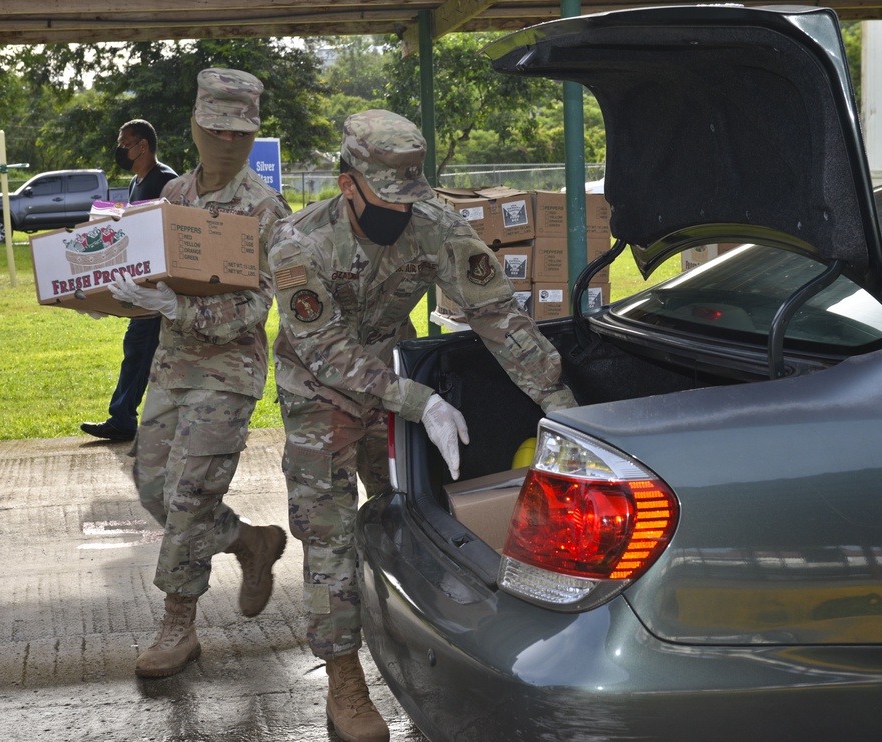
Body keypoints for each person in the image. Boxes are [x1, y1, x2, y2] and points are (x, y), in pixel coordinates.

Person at [266, 109, 577, 742]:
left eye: (412, 195)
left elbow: (497, 314)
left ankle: (414, 639)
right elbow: (323, 351)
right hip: (318, 397)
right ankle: (345, 683)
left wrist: (562, 403)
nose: (402, 211)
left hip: (391, 385)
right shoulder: (298, 243)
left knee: (410, 519)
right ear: (347, 181)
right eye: (388, 196)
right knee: (329, 542)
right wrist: (420, 402)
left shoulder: (433, 223)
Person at [107, 69, 293, 679]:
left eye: (240, 132)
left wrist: (175, 307)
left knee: (189, 496)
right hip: (172, 366)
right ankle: (249, 542)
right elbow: (150, 271)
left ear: (252, 135)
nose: (227, 142)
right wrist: (123, 292)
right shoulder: (174, 200)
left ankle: (177, 625)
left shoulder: (265, 210)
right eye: (216, 129)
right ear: (195, 127)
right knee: (155, 488)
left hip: (227, 372)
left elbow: (257, 306)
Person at [80, 119, 178, 441]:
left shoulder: (166, 180)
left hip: (162, 289)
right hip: (141, 284)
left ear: (143, 146)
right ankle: (124, 417)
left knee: (143, 349)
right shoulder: (137, 183)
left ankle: (125, 418)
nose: (120, 150)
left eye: (125, 143)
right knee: (139, 349)